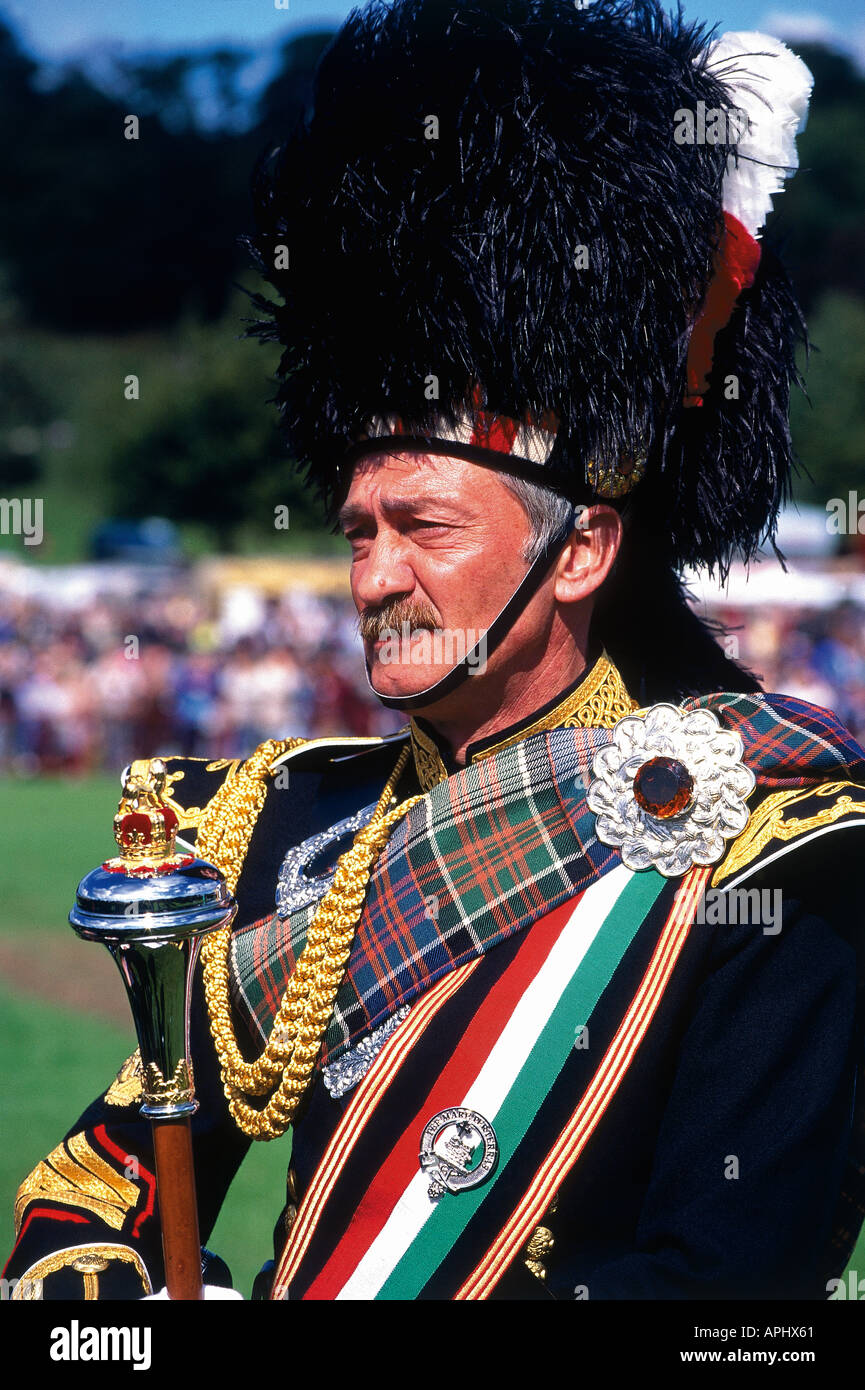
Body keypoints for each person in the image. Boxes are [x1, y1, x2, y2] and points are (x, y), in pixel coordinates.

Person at [6, 0, 865, 1301]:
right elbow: (89, 1194)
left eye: (421, 525)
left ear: (577, 552)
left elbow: (739, 1300)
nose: (374, 575)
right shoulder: (278, 822)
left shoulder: (781, 852)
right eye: (356, 529)